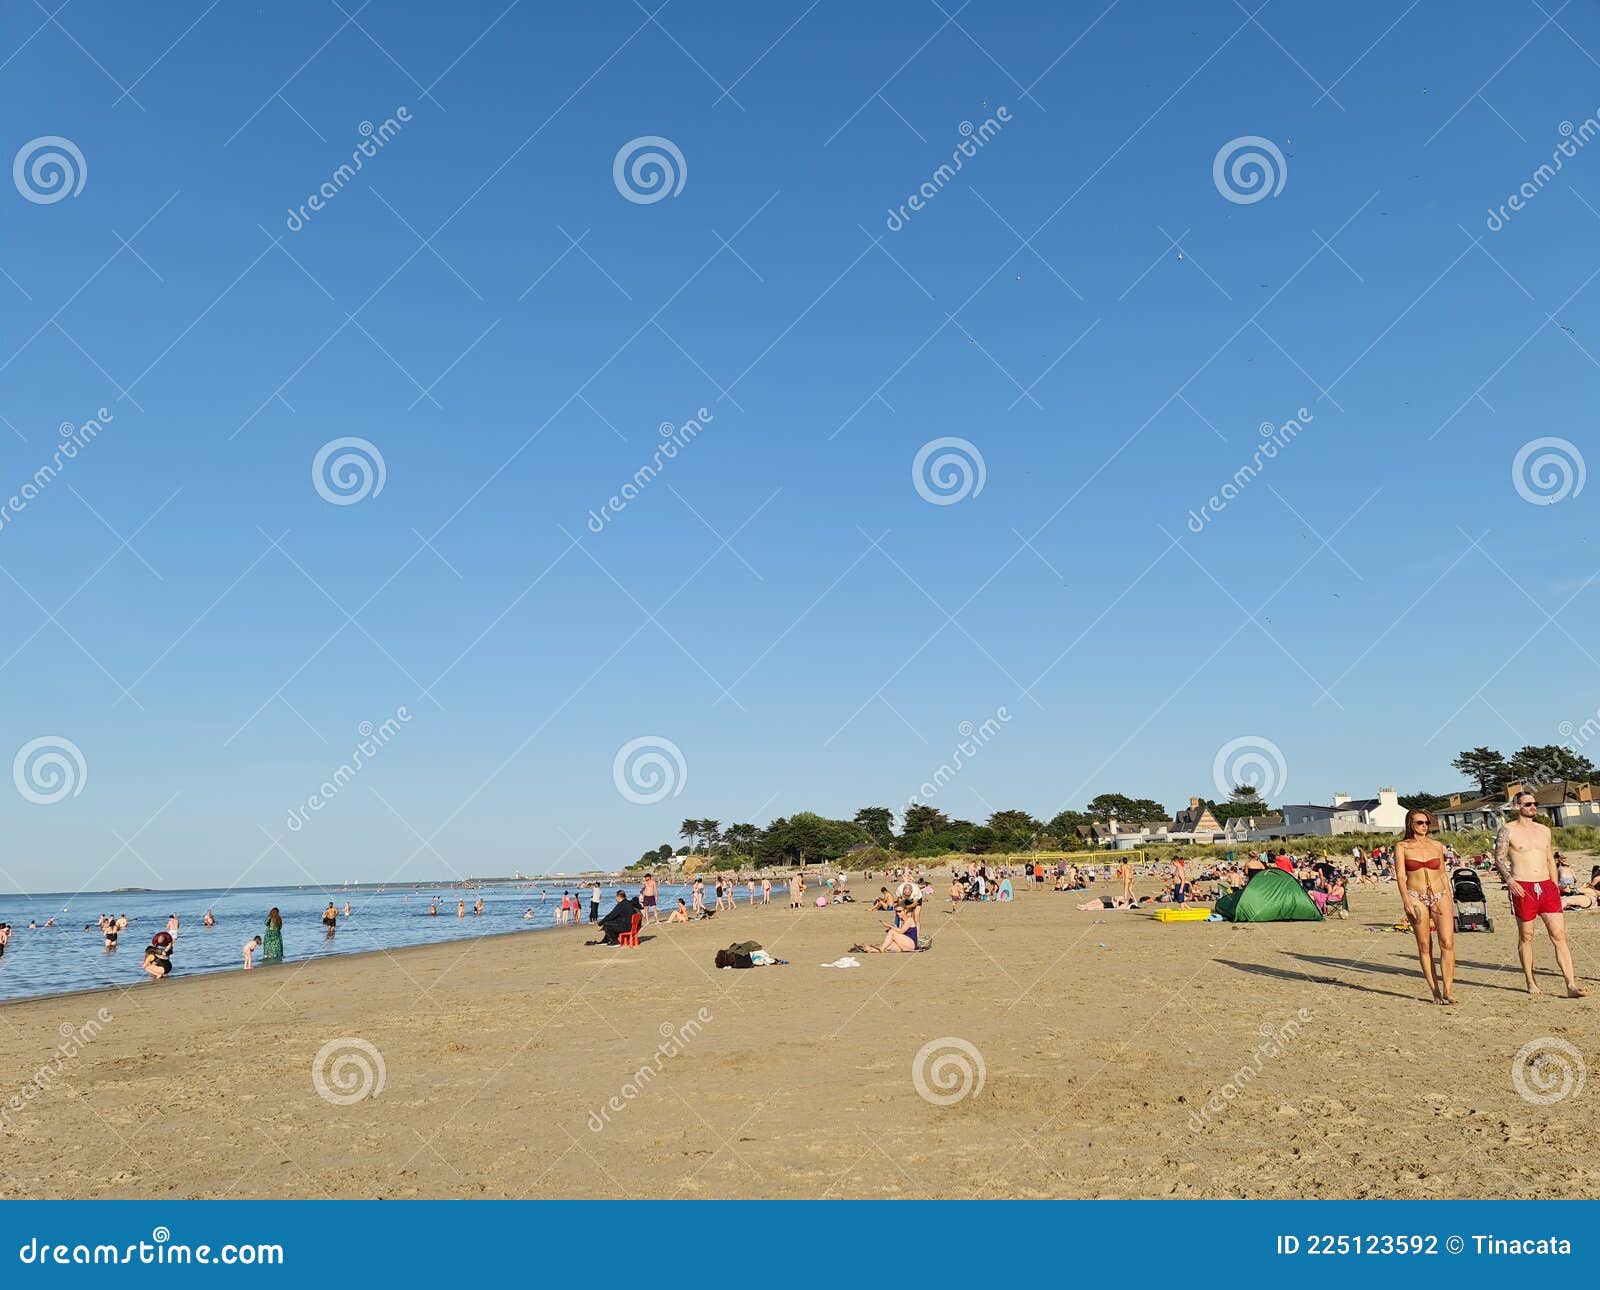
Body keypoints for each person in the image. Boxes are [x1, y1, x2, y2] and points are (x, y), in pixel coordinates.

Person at [1495, 791, 1587, 997]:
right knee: (1526, 936)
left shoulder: (1544, 830)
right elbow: (1499, 859)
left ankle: (1570, 984)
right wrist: (1509, 880)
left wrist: (1554, 885)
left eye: (1535, 803)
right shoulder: (1507, 830)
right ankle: (1530, 981)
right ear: (1517, 806)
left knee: (1559, 935)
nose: (1533, 807)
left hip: (1546, 886)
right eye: (1528, 804)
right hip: (1522, 886)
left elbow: (1548, 858)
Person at [1396, 809, 1455, 1004]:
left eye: (1427, 823)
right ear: (1410, 824)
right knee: (1424, 945)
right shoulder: (1402, 846)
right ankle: (1435, 991)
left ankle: (1448, 989)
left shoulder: (1437, 845)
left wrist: (1450, 896)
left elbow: (1443, 873)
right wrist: (1406, 900)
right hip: (1416, 896)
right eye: (1420, 822)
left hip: (1440, 895)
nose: (1424, 826)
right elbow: (1401, 876)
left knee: (1447, 942)